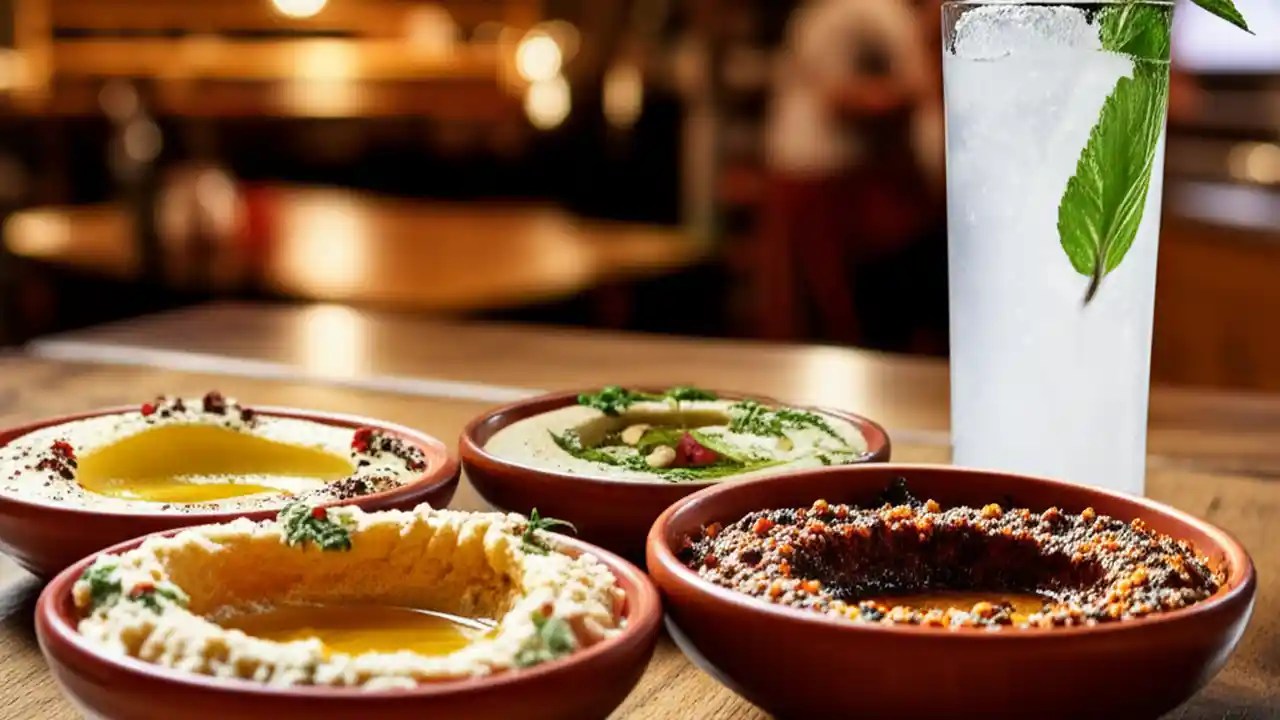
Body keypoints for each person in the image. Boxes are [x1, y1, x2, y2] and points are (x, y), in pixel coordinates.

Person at [756, 0, 937, 344]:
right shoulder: (873, 14)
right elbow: (838, 97)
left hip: (820, 172)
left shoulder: (844, 13)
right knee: (837, 315)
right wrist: (912, 96)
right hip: (830, 176)